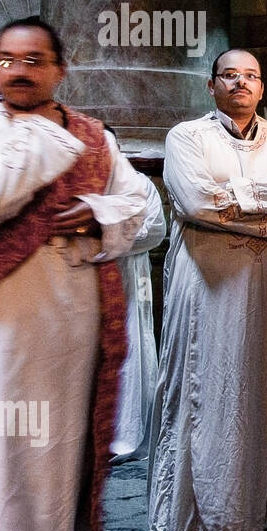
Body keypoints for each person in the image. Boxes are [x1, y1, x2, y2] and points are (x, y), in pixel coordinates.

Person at [0, 17, 153, 531]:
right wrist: (45, 131)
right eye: (8, 59)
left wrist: (97, 211)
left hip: (72, 331)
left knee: (55, 467)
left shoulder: (94, 136)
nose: (19, 70)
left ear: (62, 69)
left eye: (35, 59)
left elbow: (142, 209)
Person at [148, 48, 267, 531]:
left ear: (262, 88)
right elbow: (198, 201)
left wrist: (239, 200)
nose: (241, 83)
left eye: (251, 76)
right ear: (212, 86)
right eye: (230, 75)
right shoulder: (186, 137)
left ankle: (261, 528)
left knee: (265, 401)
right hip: (208, 294)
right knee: (200, 401)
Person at [111, 158, 166, 462]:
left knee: (131, 344)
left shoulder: (140, 184)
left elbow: (154, 230)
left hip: (131, 277)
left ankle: (128, 432)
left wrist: (102, 236)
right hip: (86, 282)